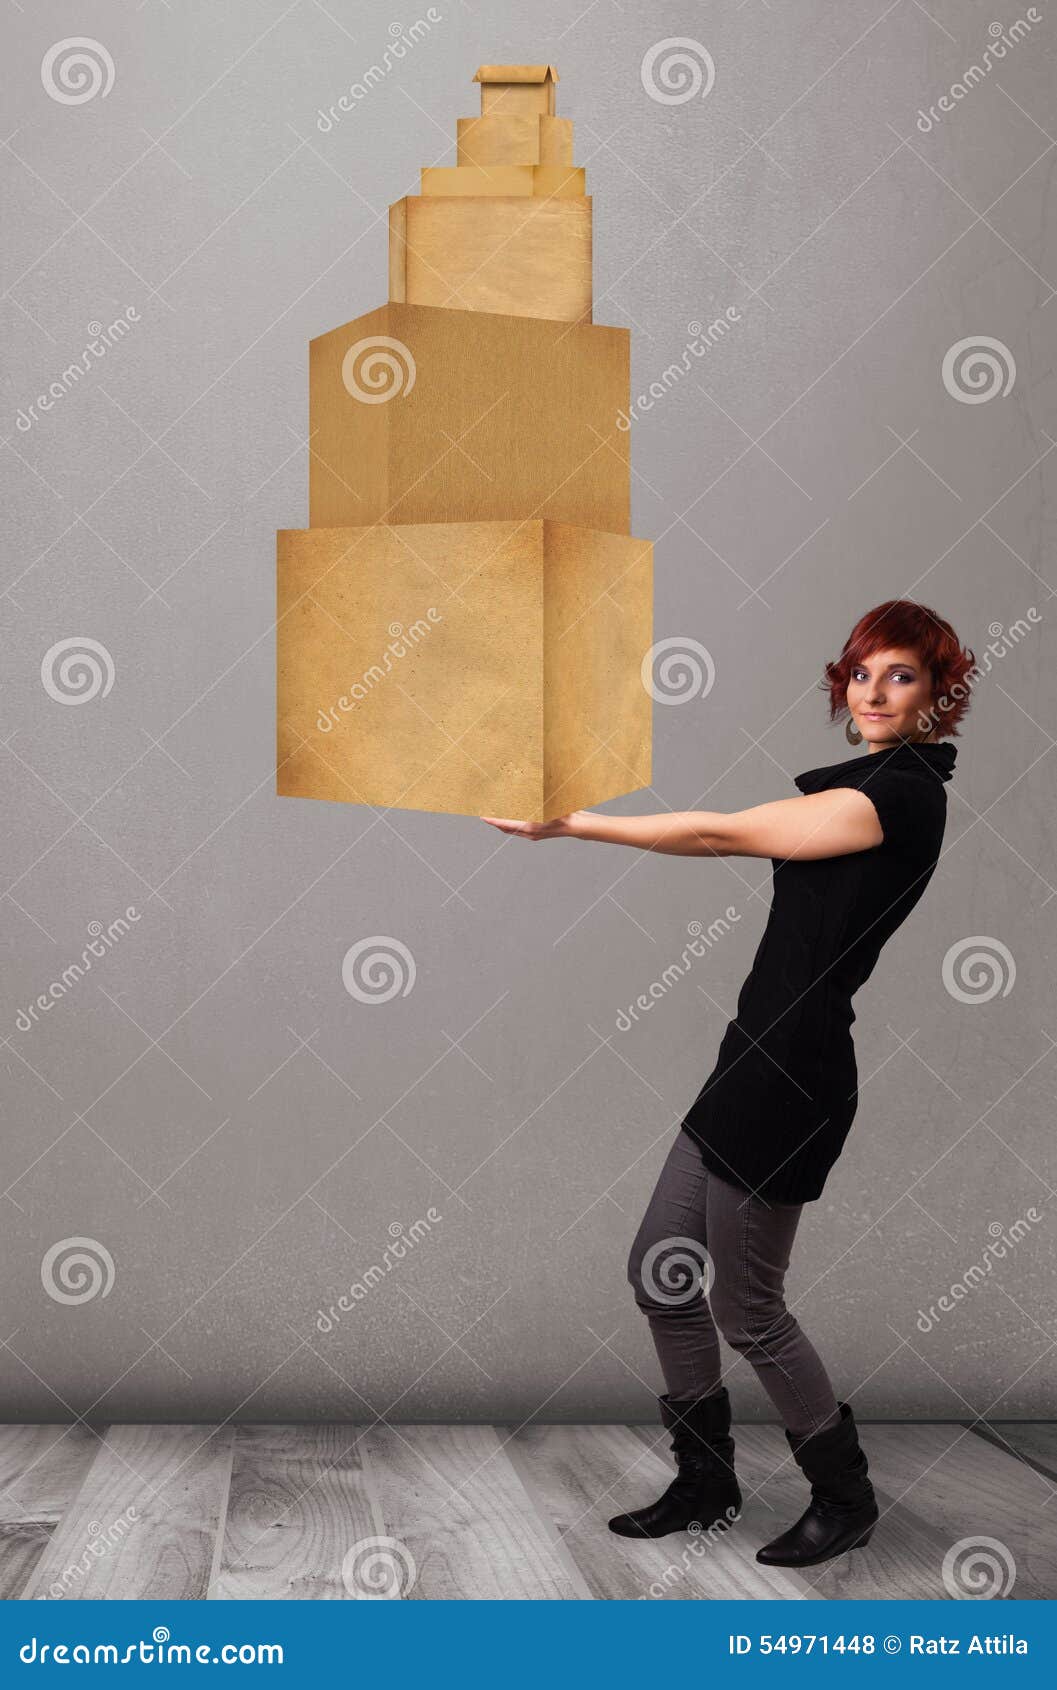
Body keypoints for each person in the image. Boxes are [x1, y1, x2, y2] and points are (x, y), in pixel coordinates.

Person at [481, 599, 975, 1569]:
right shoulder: (866, 779)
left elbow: (719, 835)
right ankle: (705, 1479)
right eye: (862, 673)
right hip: (746, 1059)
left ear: (937, 693)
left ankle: (845, 1496)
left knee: (747, 1310)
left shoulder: (901, 795)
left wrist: (575, 825)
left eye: (901, 675)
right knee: (659, 1273)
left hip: (794, 1079)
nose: (873, 693)